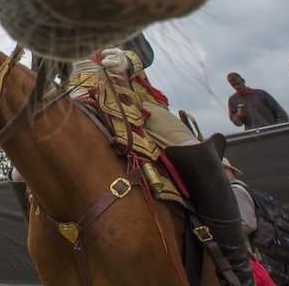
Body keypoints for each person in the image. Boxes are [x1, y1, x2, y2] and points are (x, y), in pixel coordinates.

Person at [70, 34, 254, 286]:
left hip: (132, 96)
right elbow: (39, 74)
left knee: (196, 151)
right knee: (19, 174)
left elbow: (144, 53)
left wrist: (127, 60)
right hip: (75, 102)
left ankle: (237, 271)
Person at [223, 158, 278, 286]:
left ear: (229, 171)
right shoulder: (235, 189)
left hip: (246, 253)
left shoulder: (235, 190)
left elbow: (248, 224)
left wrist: (224, 234)